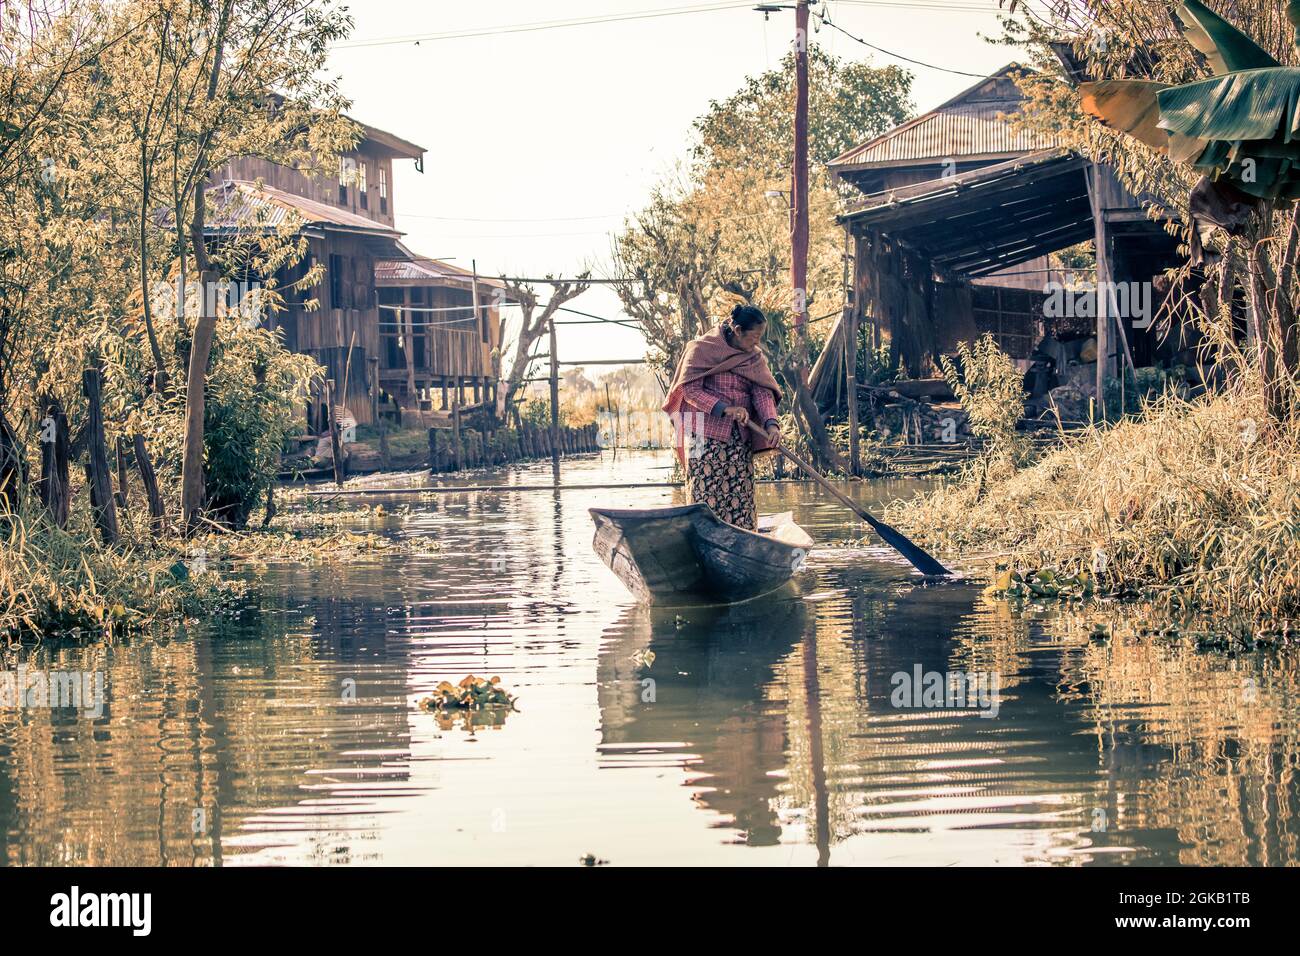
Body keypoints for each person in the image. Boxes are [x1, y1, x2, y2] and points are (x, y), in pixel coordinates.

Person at [662, 304, 782, 530]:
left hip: (739, 436)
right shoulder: (701, 349)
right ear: (737, 330)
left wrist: (771, 424)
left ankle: (742, 540)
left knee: (740, 497)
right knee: (705, 494)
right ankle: (705, 538)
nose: (757, 343)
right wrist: (726, 409)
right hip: (702, 434)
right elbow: (690, 391)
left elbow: (762, 392)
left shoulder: (754, 357)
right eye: (754, 337)